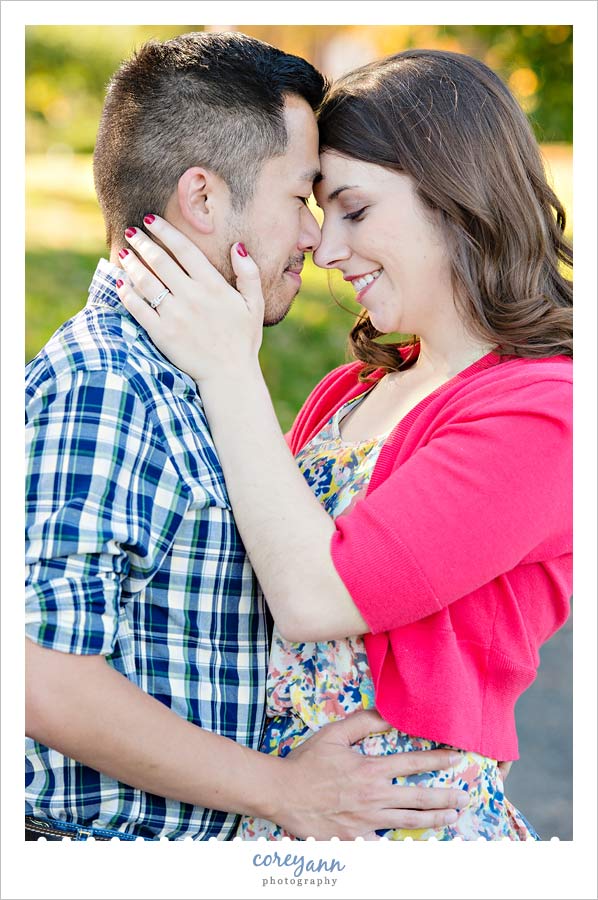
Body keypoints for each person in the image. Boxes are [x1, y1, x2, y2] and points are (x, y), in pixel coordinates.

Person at [117, 48, 573, 840]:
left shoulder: (549, 415)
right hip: (282, 819)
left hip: (406, 834)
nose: (326, 252)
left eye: (355, 211)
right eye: (321, 214)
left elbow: (315, 598)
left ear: (457, 195)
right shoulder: (349, 390)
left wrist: (230, 369)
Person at [25, 33, 469, 842]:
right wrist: (284, 792)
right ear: (203, 199)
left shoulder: (192, 371)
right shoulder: (106, 383)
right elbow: (39, 674)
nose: (315, 240)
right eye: (301, 197)